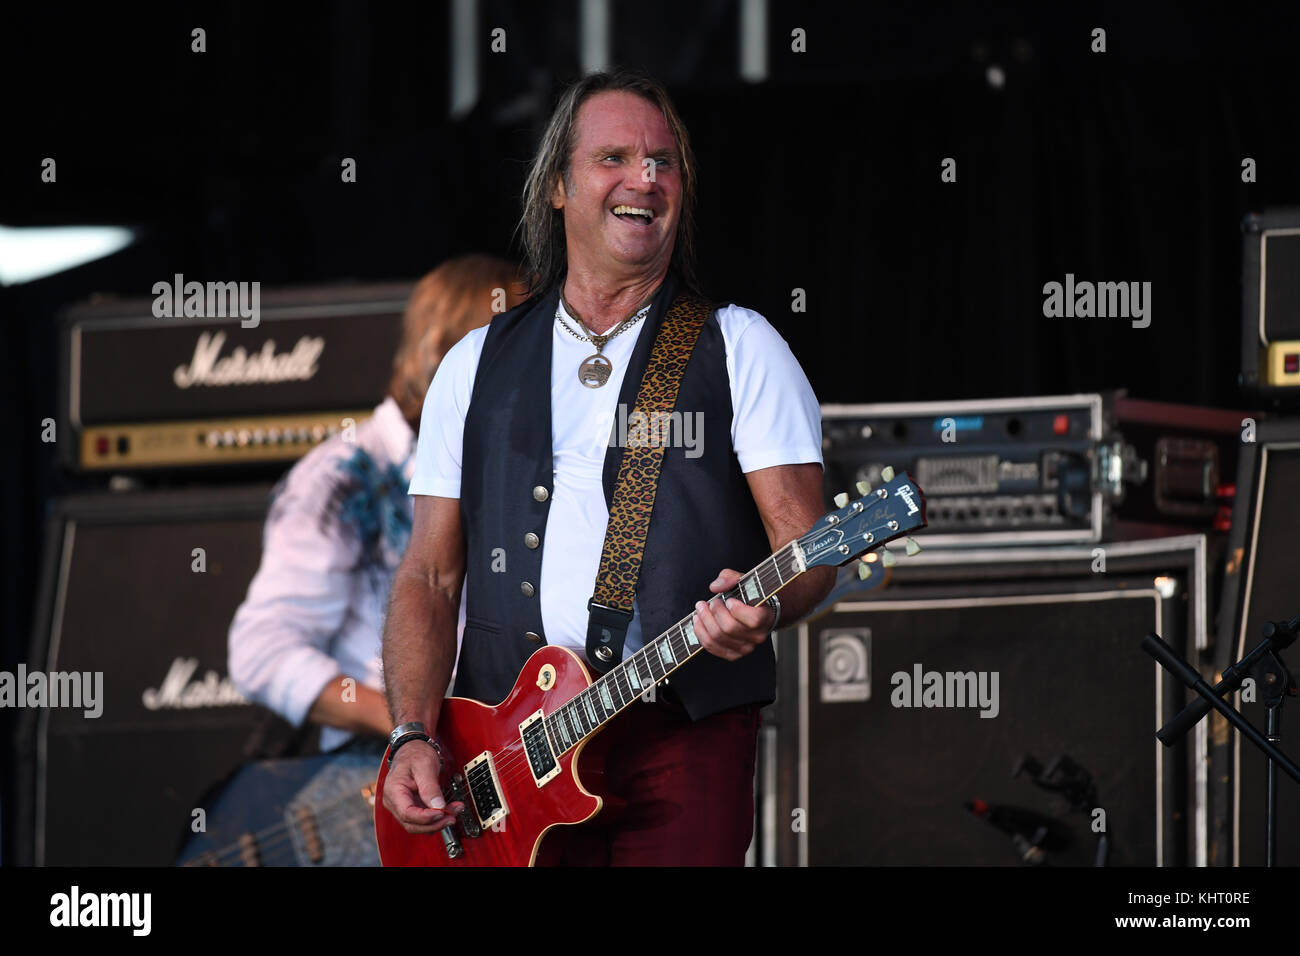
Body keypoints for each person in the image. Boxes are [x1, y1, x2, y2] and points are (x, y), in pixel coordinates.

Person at [382, 69, 835, 866]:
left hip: (678, 740)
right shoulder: (476, 363)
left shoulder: (740, 345)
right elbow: (429, 577)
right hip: (503, 760)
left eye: (665, 162)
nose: (646, 179)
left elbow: (811, 550)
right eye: (615, 157)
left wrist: (762, 606)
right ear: (558, 186)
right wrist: (412, 732)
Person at [228, 255, 524, 755]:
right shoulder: (344, 475)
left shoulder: (518, 466)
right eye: (514, 349)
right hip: (374, 772)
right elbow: (262, 652)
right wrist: (414, 728)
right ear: (443, 352)